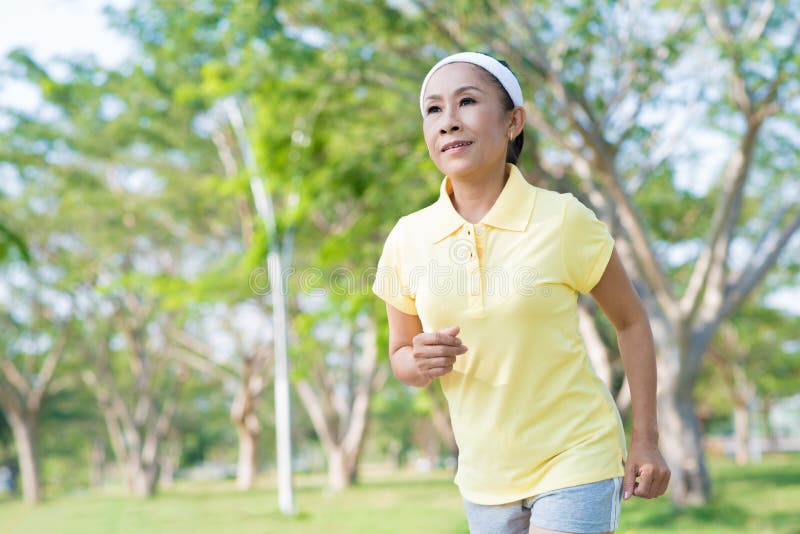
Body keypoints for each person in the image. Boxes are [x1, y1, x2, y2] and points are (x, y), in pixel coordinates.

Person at [371, 52, 671, 534]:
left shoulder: (563, 219)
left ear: (514, 121)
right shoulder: (408, 238)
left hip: (577, 455)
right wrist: (420, 361)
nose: (448, 121)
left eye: (467, 102)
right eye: (434, 109)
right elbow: (401, 358)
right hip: (484, 477)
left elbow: (632, 322)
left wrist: (646, 439)